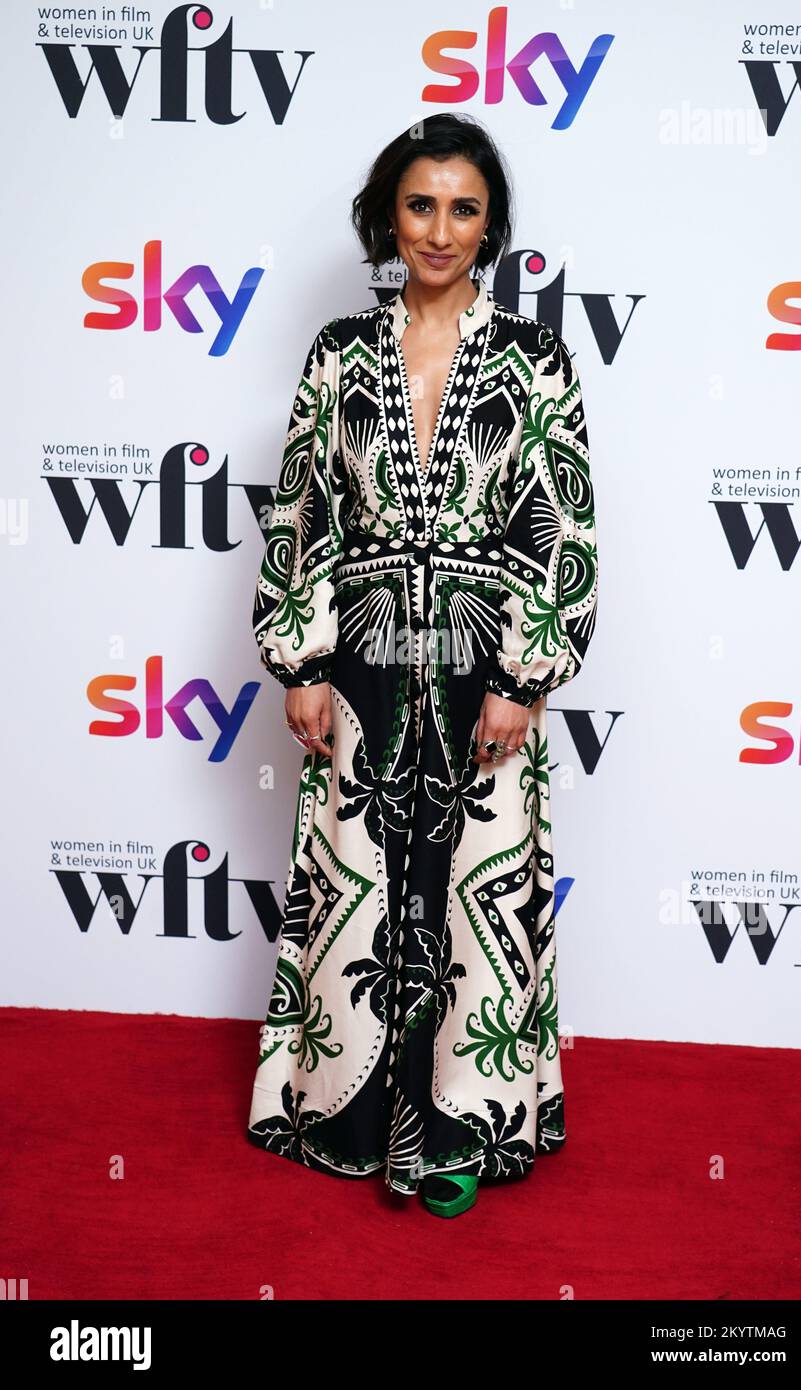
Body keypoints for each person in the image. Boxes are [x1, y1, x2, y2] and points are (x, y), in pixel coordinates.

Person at [246, 112, 599, 1218]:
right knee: (358, 889)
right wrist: (298, 658)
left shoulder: (534, 359)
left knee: (471, 893)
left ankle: (462, 1121)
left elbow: (563, 523)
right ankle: (345, 1110)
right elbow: (299, 511)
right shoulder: (338, 354)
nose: (438, 230)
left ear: (488, 226)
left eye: (462, 209)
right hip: (361, 660)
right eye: (418, 204)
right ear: (385, 215)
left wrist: (522, 675)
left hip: (479, 661)